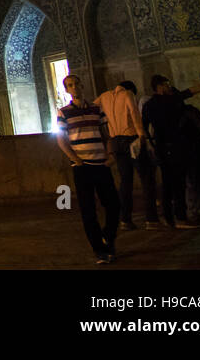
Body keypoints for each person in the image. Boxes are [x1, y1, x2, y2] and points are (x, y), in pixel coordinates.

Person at [56, 73, 120, 264]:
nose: (74, 87)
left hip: (101, 164)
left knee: (114, 205)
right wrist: (77, 160)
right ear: (66, 90)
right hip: (82, 167)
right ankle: (100, 249)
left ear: (82, 86)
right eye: (70, 85)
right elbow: (61, 139)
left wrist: (110, 156)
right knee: (88, 209)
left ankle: (107, 237)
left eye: (76, 84)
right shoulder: (63, 112)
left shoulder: (96, 109)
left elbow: (105, 134)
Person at [141, 73, 200, 229]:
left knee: (167, 184)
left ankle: (168, 217)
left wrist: (152, 144)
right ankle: (181, 218)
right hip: (176, 147)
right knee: (179, 184)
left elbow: (144, 126)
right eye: (167, 84)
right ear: (160, 87)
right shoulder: (170, 101)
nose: (169, 87)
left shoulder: (148, 105)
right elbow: (189, 92)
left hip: (162, 148)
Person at [96, 79, 155, 230]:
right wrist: (142, 137)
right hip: (131, 139)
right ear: (132, 90)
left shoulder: (104, 96)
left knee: (125, 181)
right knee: (147, 178)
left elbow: (92, 108)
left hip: (116, 141)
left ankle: (125, 220)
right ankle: (151, 220)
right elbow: (135, 116)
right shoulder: (128, 95)